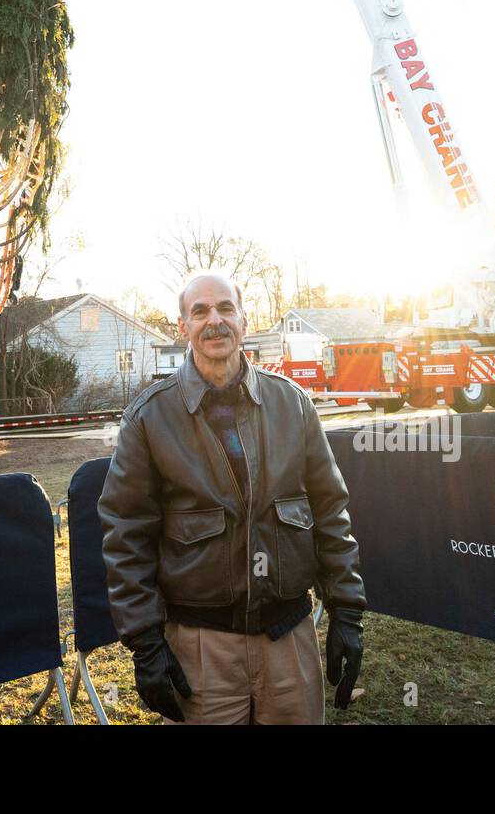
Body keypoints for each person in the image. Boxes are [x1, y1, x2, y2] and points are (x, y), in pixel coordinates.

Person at [98, 272, 366, 724]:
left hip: (290, 639)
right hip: (201, 650)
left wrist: (346, 610)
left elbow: (329, 511)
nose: (214, 321)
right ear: (182, 326)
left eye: (225, 308)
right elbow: (125, 536)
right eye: (199, 311)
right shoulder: (148, 419)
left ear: (243, 319)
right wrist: (146, 645)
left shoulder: (294, 405)